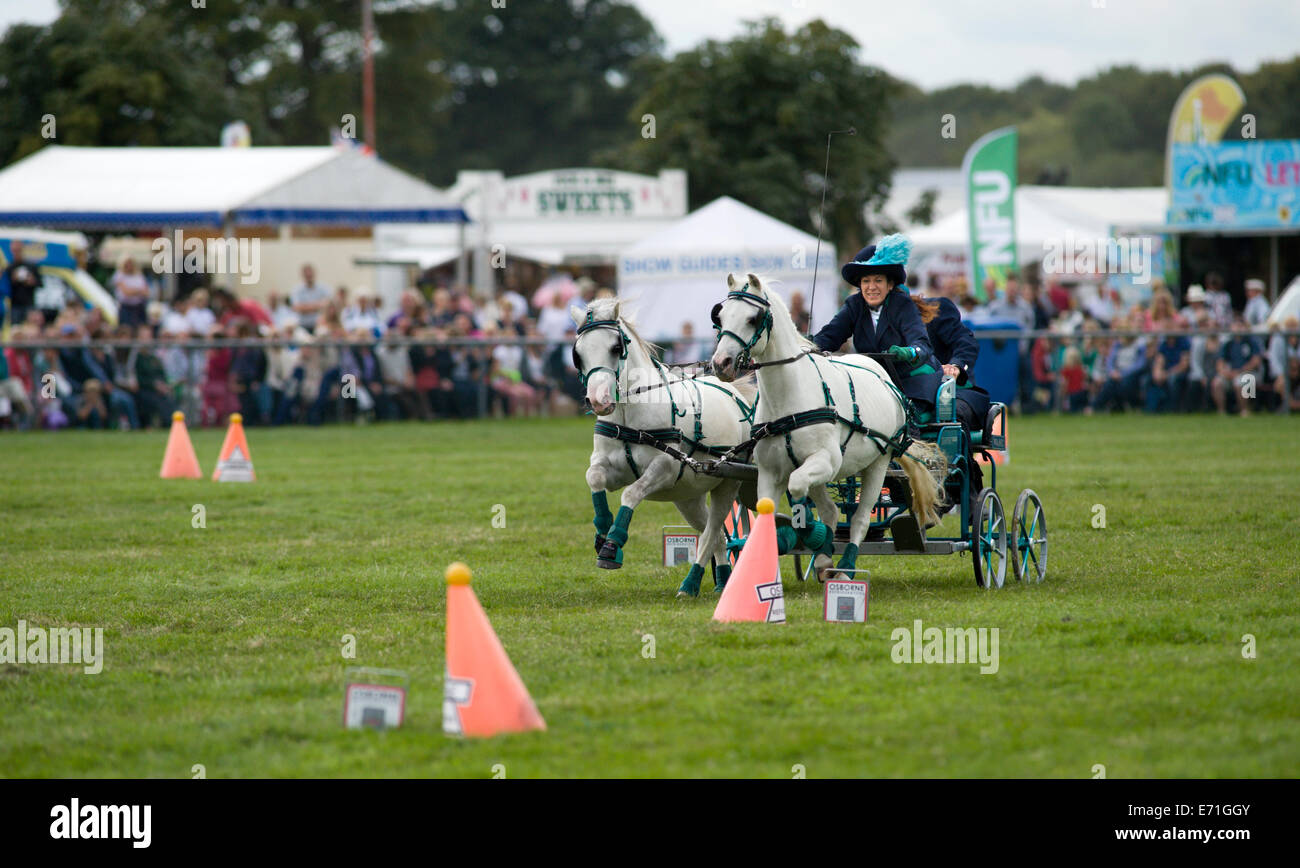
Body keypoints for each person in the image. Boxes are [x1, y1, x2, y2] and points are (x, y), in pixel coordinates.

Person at [813, 234, 943, 424]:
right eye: (866, 281)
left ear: (890, 284)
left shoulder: (902, 304)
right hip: (870, 381)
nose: (871, 287)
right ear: (859, 285)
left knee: (909, 421)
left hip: (910, 382)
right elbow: (829, 336)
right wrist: (804, 346)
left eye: (878, 280)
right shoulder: (853, 304)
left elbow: (922, 345)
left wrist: (907, 353)